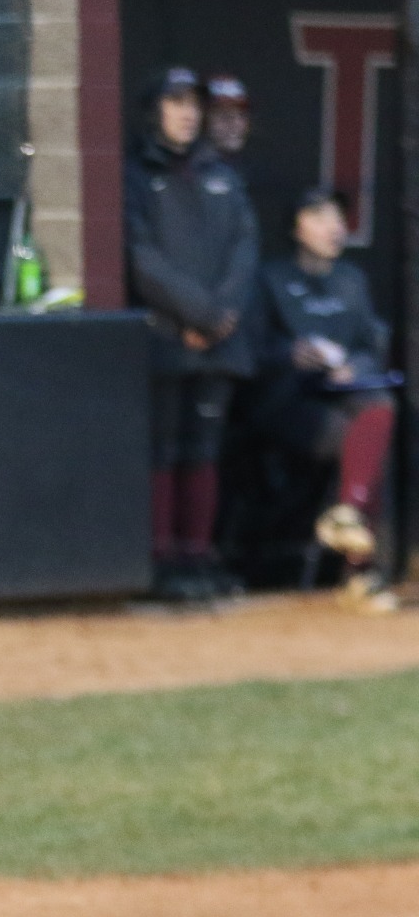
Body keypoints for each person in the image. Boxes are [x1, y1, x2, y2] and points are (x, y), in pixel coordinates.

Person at [125, 66, 259, 602]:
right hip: (166, 335)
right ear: (155, 109)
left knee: (204, 449)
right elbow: (141, 258)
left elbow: (245, 248)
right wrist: (197, 313)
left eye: (193, 104)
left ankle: (197, 556)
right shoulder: (136, 175)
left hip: (220, 341)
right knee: (163, 449)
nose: (187, 113)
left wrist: (221, 314)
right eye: (176, 102)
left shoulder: (223, 175)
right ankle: (160, 562)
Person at [242, 187, 399, 613]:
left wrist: (353, 366)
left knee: (378, 409)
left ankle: (347, 517)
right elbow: (252, 348)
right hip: (287, 401)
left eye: (338, 219)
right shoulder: (270, 278)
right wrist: (290, 354)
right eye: (320, 218)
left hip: (341, 393)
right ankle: (360, 573)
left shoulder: (351, 280)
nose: (334, 228)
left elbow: (370, 344)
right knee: (363, 442)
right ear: (297, 228)